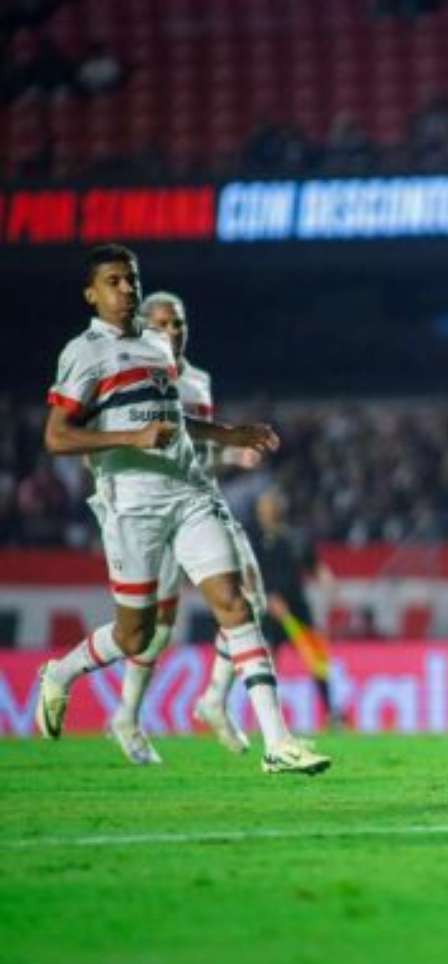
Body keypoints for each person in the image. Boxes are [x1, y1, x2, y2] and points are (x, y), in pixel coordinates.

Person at [33, 244, 329, 776]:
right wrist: (135, 436)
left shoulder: (156, 347)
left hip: (191, 493)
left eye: (131, 280)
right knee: (136, 636)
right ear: (91, 294)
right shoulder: (84, 354)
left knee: (236, 604)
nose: (126, 289)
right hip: (133, 508)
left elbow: (173, 421)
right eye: (114, 282)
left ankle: (278, 742)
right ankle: (61, 673)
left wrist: (228, 432)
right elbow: (56, 437)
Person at [105, 290, 267, 761]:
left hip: (200, 503)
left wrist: (231, 453)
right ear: (143, 327)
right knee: (159, 625)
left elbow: (201, 449)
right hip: (154, 507)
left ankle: (214, 698)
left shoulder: (198, 381)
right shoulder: (131, 376)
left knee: (249, 598)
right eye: (161, 324)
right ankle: (127, 716)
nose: (173, 332)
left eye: (178, 323)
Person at [251, 487, 340, 729]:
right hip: (270, 611)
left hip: (298, 608)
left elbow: (313, 565)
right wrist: (267, 599)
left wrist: (325, 578)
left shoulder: (295, 537)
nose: (264, 512)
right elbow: (250, 577)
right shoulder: (255, 542)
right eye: (262, 508)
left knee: (316, 657)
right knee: (269, 664)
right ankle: (267, 718)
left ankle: (332, 712)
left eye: (267, 507)